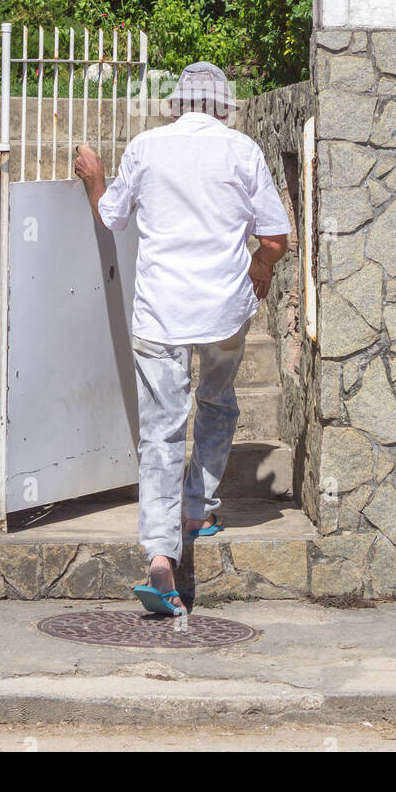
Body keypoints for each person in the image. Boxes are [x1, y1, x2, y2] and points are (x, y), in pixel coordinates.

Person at [74, 61, 290, 615]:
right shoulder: (242, 151)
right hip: (223, 311)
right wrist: (260, 269)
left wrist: (95, 176)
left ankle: (160, 558)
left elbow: (111, 218)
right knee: (216, 406)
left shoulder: (147, 147)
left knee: (162, 433)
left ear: (176, 105)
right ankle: (198, 509)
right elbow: (275, 238)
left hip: (161, 315)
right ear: (223, 107)